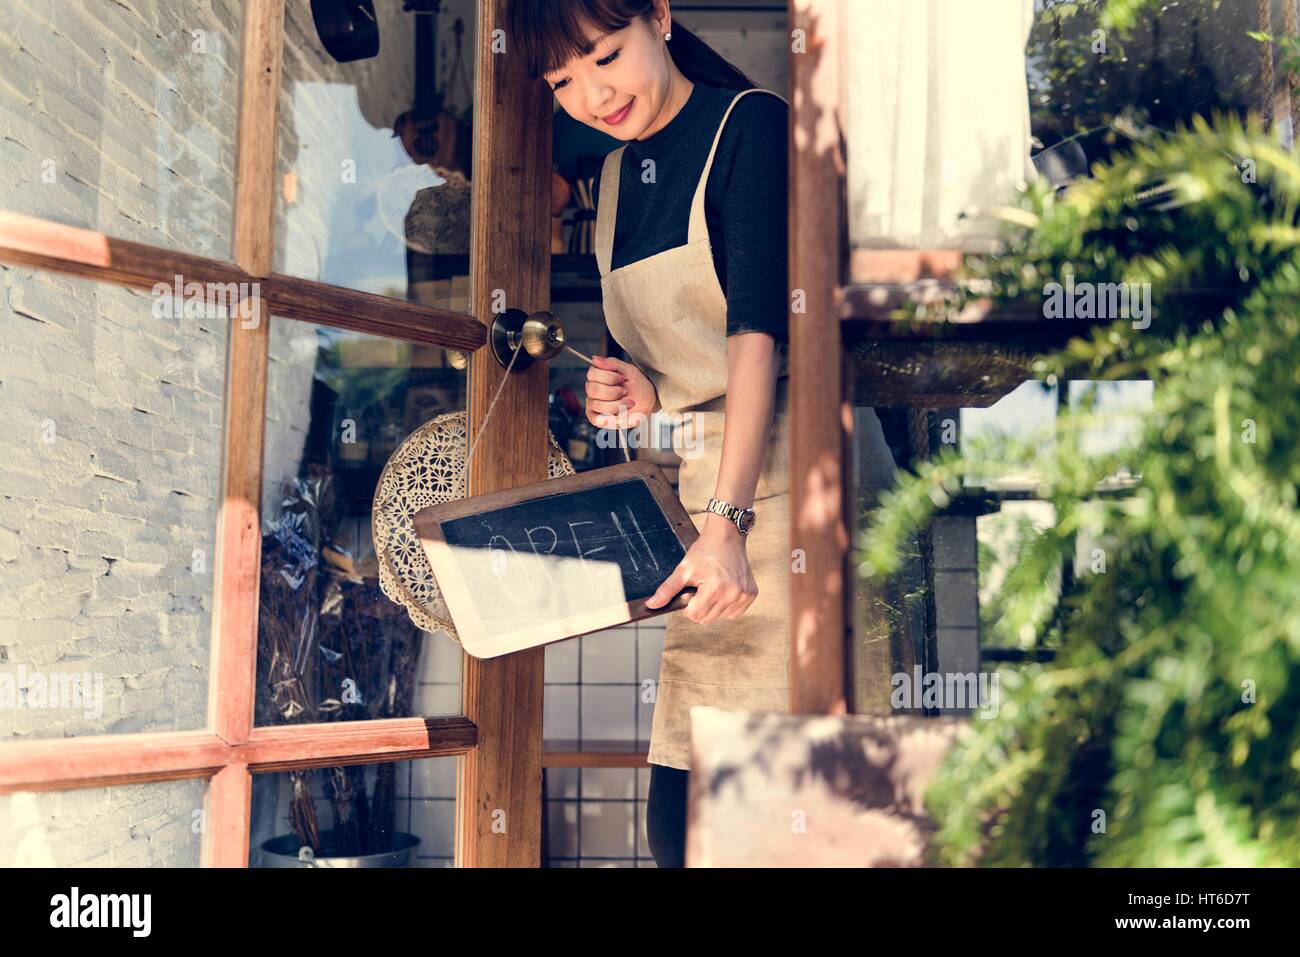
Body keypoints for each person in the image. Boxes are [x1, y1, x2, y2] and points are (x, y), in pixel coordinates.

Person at [508, 0, 793, 869]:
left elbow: (756, 338)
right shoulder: (616, 187)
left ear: (660, 19)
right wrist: (635, 393)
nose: (592, 95)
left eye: (605, 55)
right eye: (562, 80)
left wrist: (729, 525)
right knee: (683, 835)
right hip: (703, 527)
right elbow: (677, 380)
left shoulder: (750, 127)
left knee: (793, 820)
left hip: (780, 512)